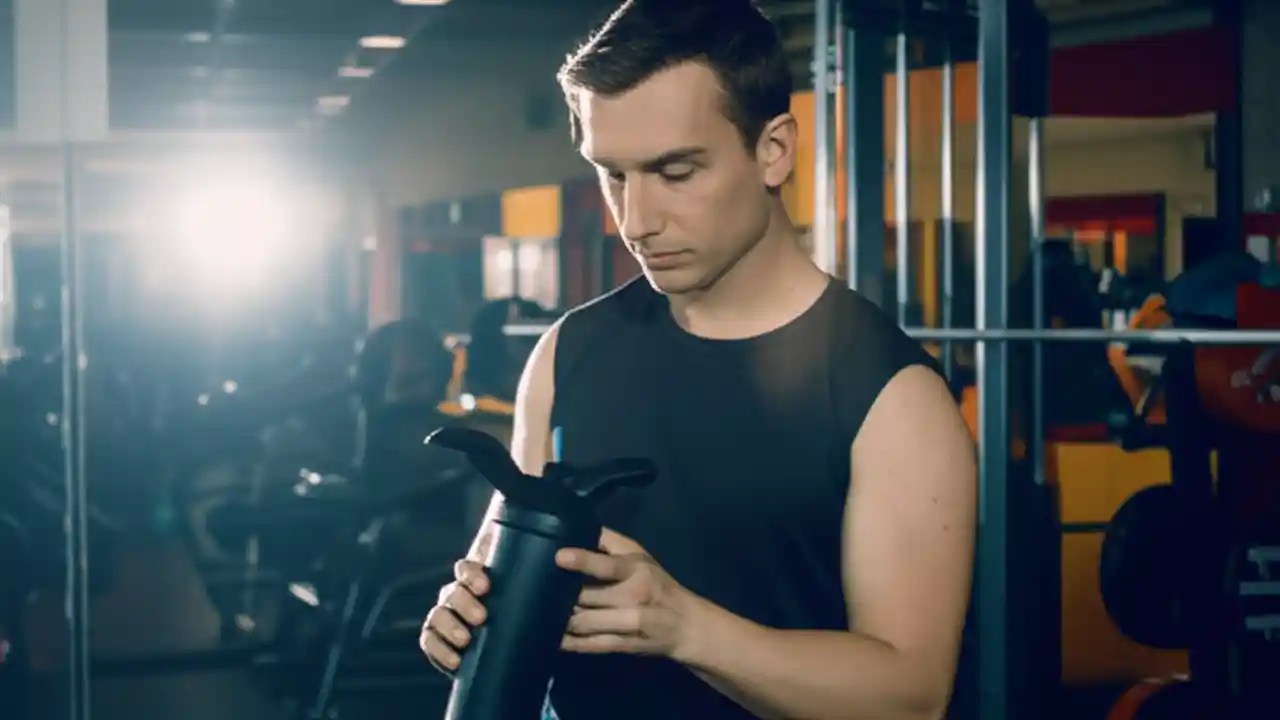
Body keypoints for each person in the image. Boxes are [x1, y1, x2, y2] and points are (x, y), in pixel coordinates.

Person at [420, 1, 977, 718]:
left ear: (773, 150)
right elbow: (506, 582)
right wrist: (466, 618)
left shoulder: (893, 394)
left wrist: (686, 629)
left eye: (676, 171)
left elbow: (909, 698)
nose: (637, 220)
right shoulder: (569, 352)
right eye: (613, 175)